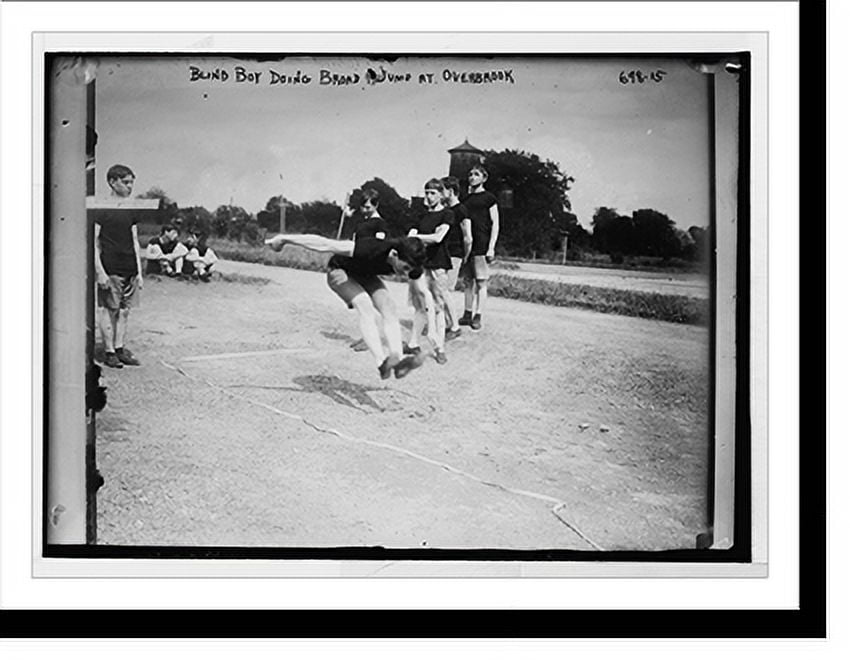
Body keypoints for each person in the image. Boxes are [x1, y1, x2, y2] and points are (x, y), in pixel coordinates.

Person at [264, 232, 427, 379]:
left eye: (410, 271)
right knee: (364, 304)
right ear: (394, 254)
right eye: (405, 267)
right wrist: (285, 239)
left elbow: (420, 287)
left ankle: (396, 361)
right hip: (340, 271)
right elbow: (325, 243)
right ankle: (381, 362)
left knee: (389, 308)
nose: (405, 274)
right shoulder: (371, 248)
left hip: (365, 274)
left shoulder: (412, 263)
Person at [94, 164, 143, 368]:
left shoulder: (131, 209)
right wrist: (100, 272)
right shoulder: (101, 207)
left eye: (132, 182)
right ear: (112, 182)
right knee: (108, 310)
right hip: (110, 268)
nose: (130, 186)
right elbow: (93, 241)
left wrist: (140, 272)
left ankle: (120, 348)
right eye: (125, 182)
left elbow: (135, 240)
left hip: (129, 268)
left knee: (124, 311)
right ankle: (109, 352)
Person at [405, 178, 456, 365]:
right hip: (421, 264)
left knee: (438, 307)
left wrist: (417, 236)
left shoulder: (447, 214)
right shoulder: (421, 216)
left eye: (433, 192)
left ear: (441, 195)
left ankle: (440, 348)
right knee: (419, 305)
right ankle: (413, 343)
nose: (429, 196)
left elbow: (438, 237)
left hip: (438, 265)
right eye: (426, 192)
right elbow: (410, 237)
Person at [459, 165, 500, 330]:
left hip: (482, 245)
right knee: (468, 281)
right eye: (470, 174)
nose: (472, 177)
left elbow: (495, 223)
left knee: (481, 282)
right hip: (468, 246)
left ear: (484, 178)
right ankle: (467, 313)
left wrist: (491, 247)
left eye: (476, 174)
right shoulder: (466, 200)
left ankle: (478, 314)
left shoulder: (489, 198)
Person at [440, 176, 473, 340]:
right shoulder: (447, 211)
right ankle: (448, 323)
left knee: (445, 290)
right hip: (445, 254)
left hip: (455, 254)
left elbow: (468, 237)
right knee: (441, 289)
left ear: (451, 191)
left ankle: (454, 326)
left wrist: (465, 256)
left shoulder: (461, 210)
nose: (440, 193)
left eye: (442, 190)